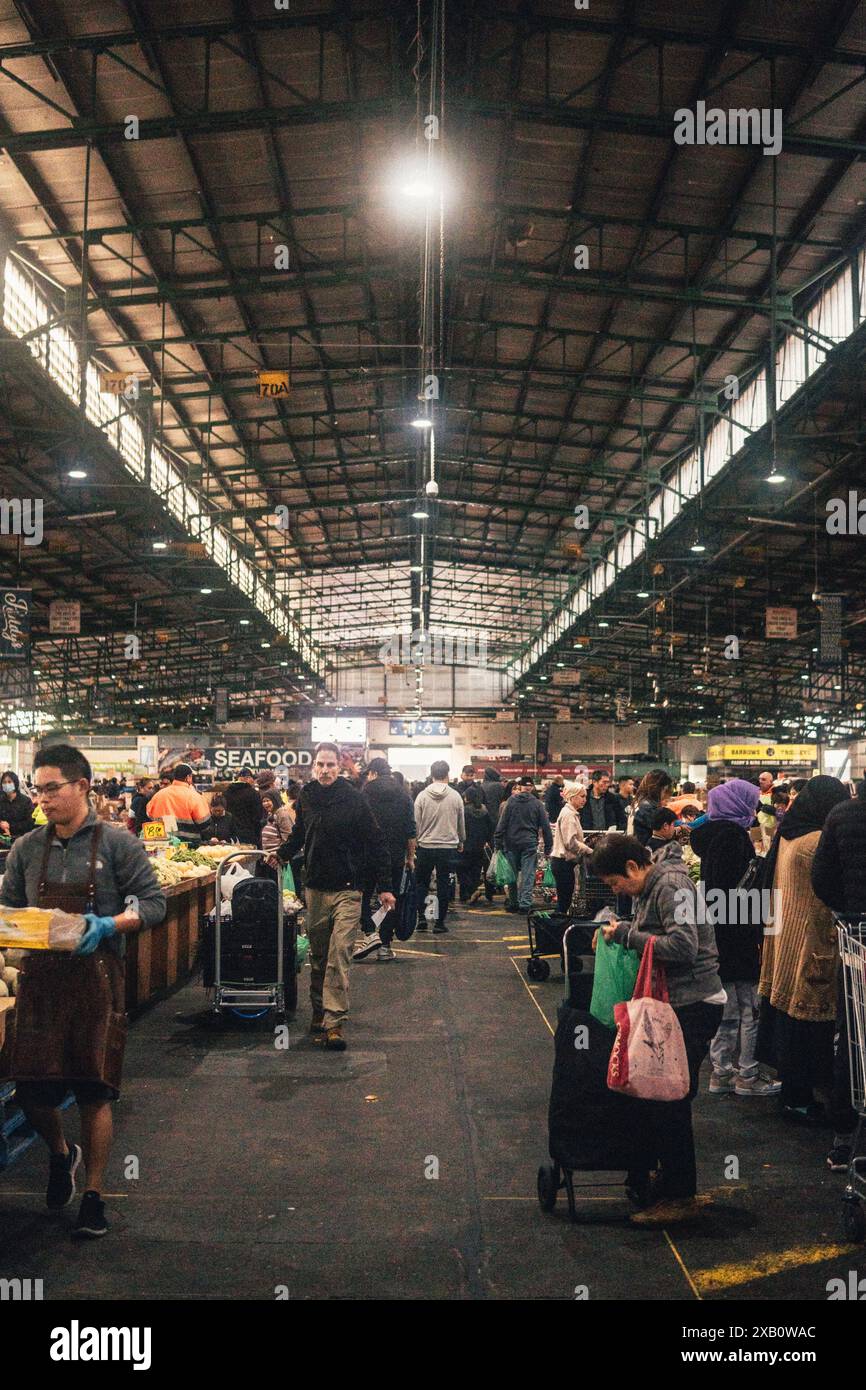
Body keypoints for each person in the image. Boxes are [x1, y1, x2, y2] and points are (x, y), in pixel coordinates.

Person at [0, 745, 165, 1238]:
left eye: (52, 788)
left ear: (82, 787)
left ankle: (93, 1195)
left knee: (95, 1090)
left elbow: (152, 904)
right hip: (40, 981)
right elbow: (8, 908)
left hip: (97, 979)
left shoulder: (118, 844)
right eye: (37, 788)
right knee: (29, 1086)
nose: (42, 798)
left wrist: (109, 922)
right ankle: (59, 1153)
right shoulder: (28, 848)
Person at [590, 833, 724, 1225]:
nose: (619, 890)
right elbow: (660, 930)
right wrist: (626, 927)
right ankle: (673, 1184)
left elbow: (683, 946)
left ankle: (680, 1196)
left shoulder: (670, 885)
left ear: (633, 867)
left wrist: (630, 936)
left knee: (670, 1101)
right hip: (679, 1004)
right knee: (665, 1099)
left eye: (617, 883)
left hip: (693, 1003)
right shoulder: (652, 886)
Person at [275, 743, 395, 1049]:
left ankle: (334, 1021)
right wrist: (282, 854)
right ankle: (319, 1011)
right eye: (321, 764)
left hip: (348, 888)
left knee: (339, 953)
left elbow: (376, 840)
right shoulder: (307, 796)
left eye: (330, 765)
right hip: (314, 887)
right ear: (314, 766)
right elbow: (302, 833)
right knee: (317, 956)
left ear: (339, 767)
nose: (325, 770)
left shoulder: (355, 798)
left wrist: (384, 885)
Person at [757, 775, 849, 1124]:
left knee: (789, 1022)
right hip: (812, 940)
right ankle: (801, 1097)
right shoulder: (815, 842)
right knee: (811, 1027)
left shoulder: (787, 835)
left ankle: (793, 1094)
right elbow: (833, 889)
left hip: (784, 938)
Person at [690, 779, 779, 1099]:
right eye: (750, 800)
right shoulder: (735, 838)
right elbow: (743, 892)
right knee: (749, 1007)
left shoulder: (710, 835)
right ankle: (748, 1073)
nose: (754, 806)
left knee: (726, 1007)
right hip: (740, 932)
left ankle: (721, 1071)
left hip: (717, 932)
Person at [811, 778, 866, 1169]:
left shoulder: (841, 814)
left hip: (858, 943)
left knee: (855, 1037)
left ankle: (845, 1137)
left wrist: (848, 914)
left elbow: (821, 878)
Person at [354, 757, 417, 961]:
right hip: (395, 856)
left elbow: (357, 825)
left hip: (367, 853)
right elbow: (410, 830)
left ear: (373, 772)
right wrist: (410, 857)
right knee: (390, 898)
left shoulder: (366, 791)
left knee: (363, 894)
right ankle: (385, 946)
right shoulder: (403, 793)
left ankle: (369, 932)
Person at [413, 761, 465, 935]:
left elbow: (416, 823)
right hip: (448, 846)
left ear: (432, 774)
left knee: (421, 883)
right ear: (447, 774)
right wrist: (461, 840)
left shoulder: (421, 796)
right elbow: (460, 822)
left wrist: (416, 843)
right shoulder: (456, 796)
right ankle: (439, 923)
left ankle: (421, 919)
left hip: (425, 846)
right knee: (444, 884)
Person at [494, 774, 552, 913]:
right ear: (531, 787)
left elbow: (502, 823)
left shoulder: (511, 801)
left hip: (511, 842)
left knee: (511, 875)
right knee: (528, 874)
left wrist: (497, 842)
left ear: (520, 787)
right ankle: (525, 904)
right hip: (529, 843)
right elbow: (545, 826)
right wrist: (549, 847)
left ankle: (513, 902)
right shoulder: (537, 804)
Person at [549, 784, 593, 914]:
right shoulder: (569, 815)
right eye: (582, 796)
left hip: (562, 862)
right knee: (564, 901)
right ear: (572, 797)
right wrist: (588, 850)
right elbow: (570, 842)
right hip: (563, 862)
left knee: (564, 900)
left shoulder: (570, 813)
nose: (584, 799)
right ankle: (557, 927)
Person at [146, 763, 212, 841]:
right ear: (188, 777)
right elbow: (204, 824)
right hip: (188, 847)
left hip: (162, 844)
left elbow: (149, 814)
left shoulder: (158, 795)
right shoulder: (195, 797)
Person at [456, 784, 494, 903]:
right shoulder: (484, 810)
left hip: (466, 845)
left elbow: (460, 826)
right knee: (475, 871)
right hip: (480, 846)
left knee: (462, 870)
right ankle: (473, 891)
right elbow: (490, 827)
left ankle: (466, 894)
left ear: (467, 797)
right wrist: (487, 840)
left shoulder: (464, 810)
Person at [223, 769, 265, 848]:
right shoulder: (253, 794)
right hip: (249, 836)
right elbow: (258, 817)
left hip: (231, 836)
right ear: (247, 778)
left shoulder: (226, 792)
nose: (254, 781)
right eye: (253, 778)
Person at [632, 769, 673, 846]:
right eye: (664, 790)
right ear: (659, 789)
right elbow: (662, 830)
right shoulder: (648, 808)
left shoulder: (642, 802)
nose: (664, 795)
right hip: (647, 852)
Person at [0, 770, 35, 842]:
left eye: (9, 782)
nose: (6, 784)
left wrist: (10, 825)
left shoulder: (26, 801)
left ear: (15, 783)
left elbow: (30, 823)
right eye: (4, 782)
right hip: (3, 840)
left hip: (22, 839)